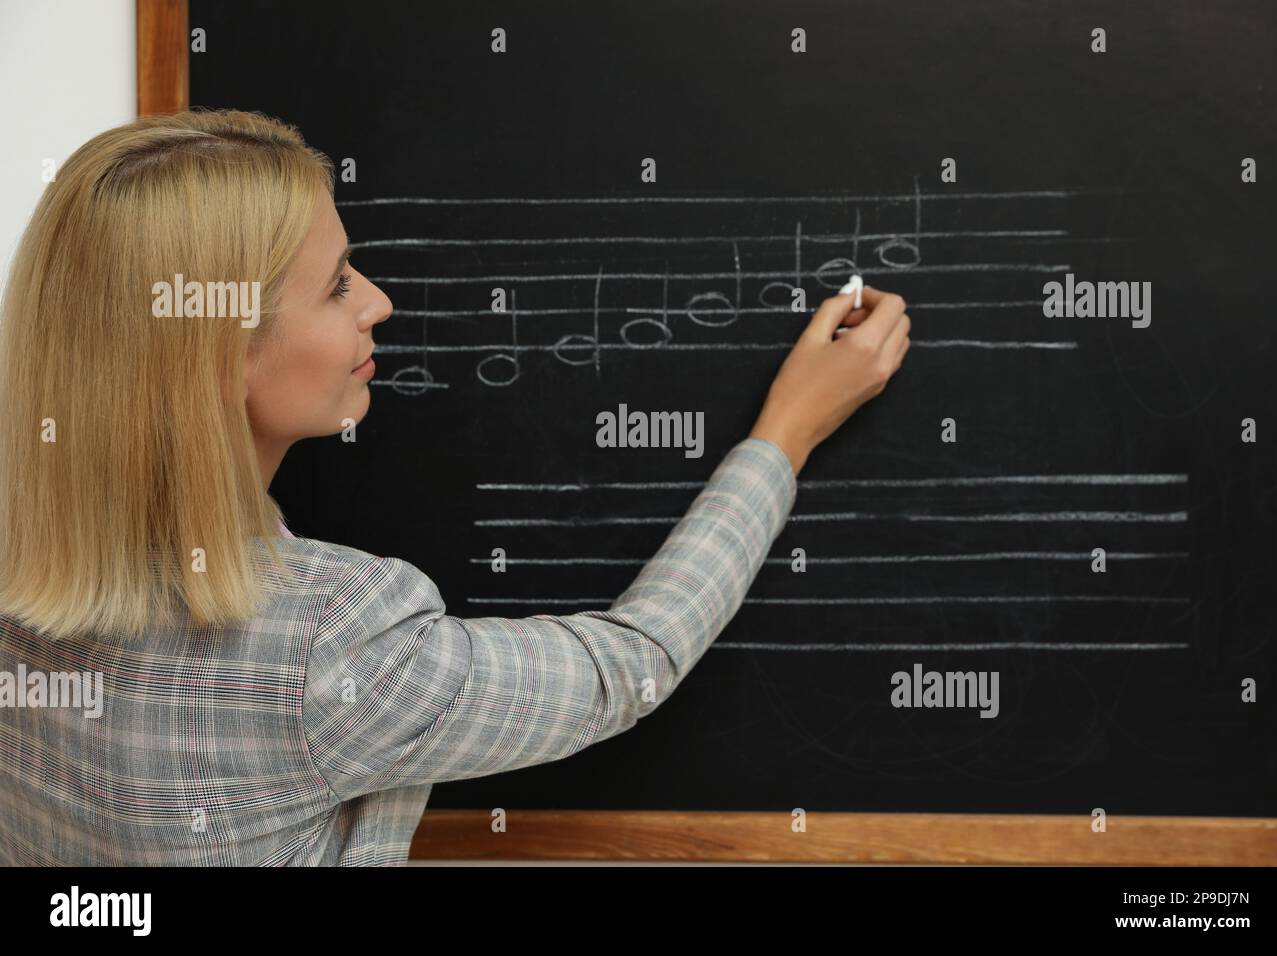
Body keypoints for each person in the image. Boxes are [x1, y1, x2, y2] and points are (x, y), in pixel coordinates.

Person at [0, 110, 910, 865]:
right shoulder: (331, 642)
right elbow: (626, 668)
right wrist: (785, 432)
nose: (378, 304)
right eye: (336, 286)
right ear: (218, 352)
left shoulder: (23, 576)